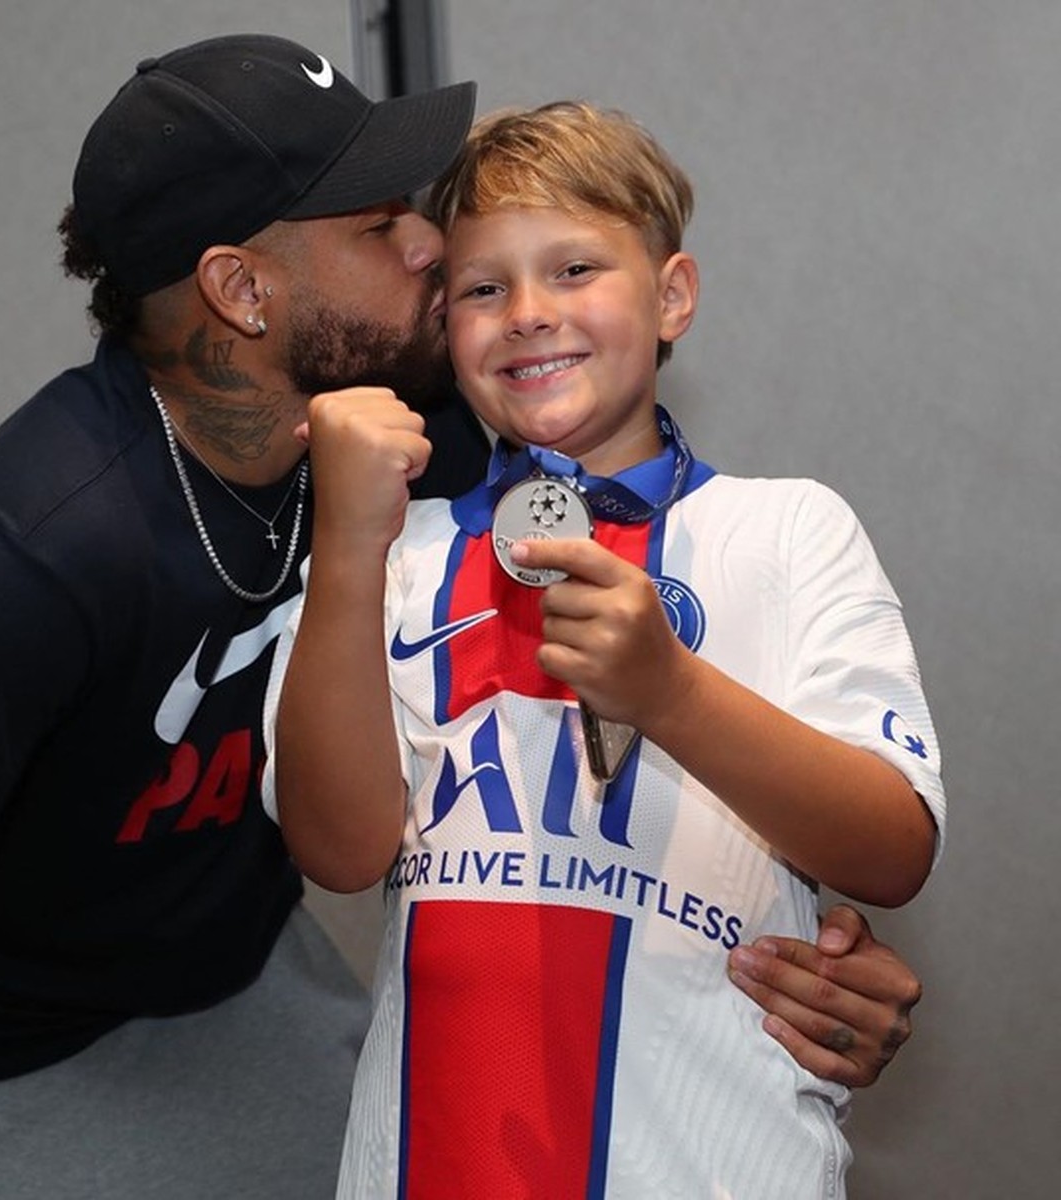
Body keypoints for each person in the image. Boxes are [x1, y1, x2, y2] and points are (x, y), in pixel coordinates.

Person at [0, 33, 919, 1200]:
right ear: (241, 289)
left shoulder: (449, 427)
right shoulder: (30, 555)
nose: (433, 246)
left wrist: (805, 948)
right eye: (378, 223)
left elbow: (741, 797)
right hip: (12, 1047)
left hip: (243, 966)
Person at [265, 100, 945, 1199]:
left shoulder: (789, 531)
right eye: (485, 289)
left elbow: (893, 851)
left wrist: (668, 692)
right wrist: (346, 545)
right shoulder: (394, 552)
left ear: (673, 294)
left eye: (576, 269)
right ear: (445, 324)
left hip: (714, 1163)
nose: (529, 314)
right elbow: (337, 849)